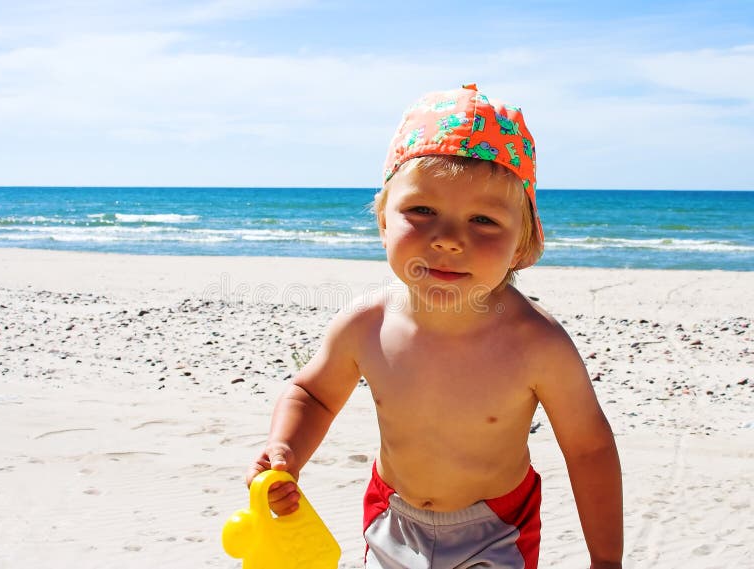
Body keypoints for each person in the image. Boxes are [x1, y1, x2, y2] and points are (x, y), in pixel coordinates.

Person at [246, 84, 623, 569]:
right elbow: (312, 394)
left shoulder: (537, 344)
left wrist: (606, 559)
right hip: (393, 516)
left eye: (484, 220)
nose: (447, 239)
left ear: (522, 243)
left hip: (497, 528)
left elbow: (589, 447)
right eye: (422, 211)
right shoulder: (366, 323)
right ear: (384, 221)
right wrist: (287, 450)